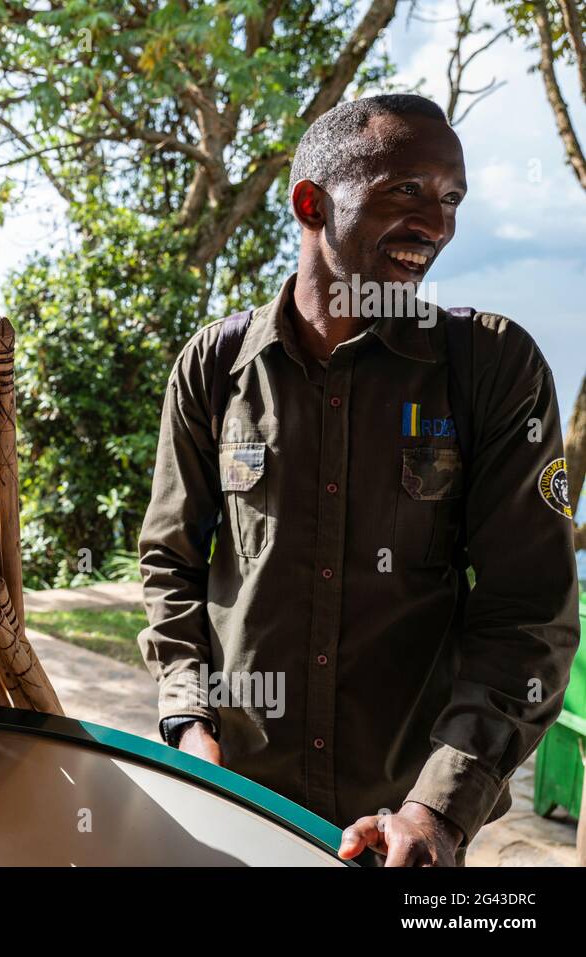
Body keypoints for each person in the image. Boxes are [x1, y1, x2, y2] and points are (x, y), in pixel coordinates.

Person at [136, 95, 579, 867]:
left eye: (450, 200)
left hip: (397, 836)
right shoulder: (214, 368)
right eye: (405, 191)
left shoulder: (490, 370)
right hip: (236, 810)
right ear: (312, 203)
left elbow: (528, 618)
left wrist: (437, 807)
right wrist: (188, 724)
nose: (436, 226)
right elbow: (171, 563)